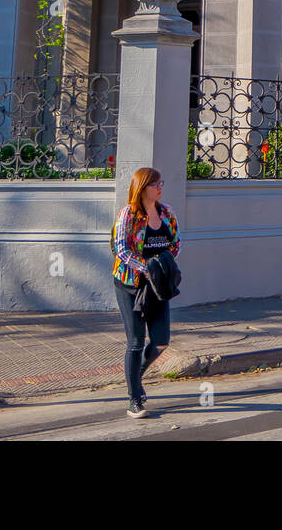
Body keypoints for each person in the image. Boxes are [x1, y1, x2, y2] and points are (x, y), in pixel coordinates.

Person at [112, 167, 180, 419]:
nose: (160, 187)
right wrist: (147, 269)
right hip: (130, 285)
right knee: (136, 342)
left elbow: (175, 243)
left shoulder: (167, 213)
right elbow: (121, 250)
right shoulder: (128, 214)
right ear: (142, 187)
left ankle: (135, 377)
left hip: (158, 287)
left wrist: (162, 267)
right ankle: (134, 399)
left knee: (161, 341)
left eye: (161, 183)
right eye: (154, 184)